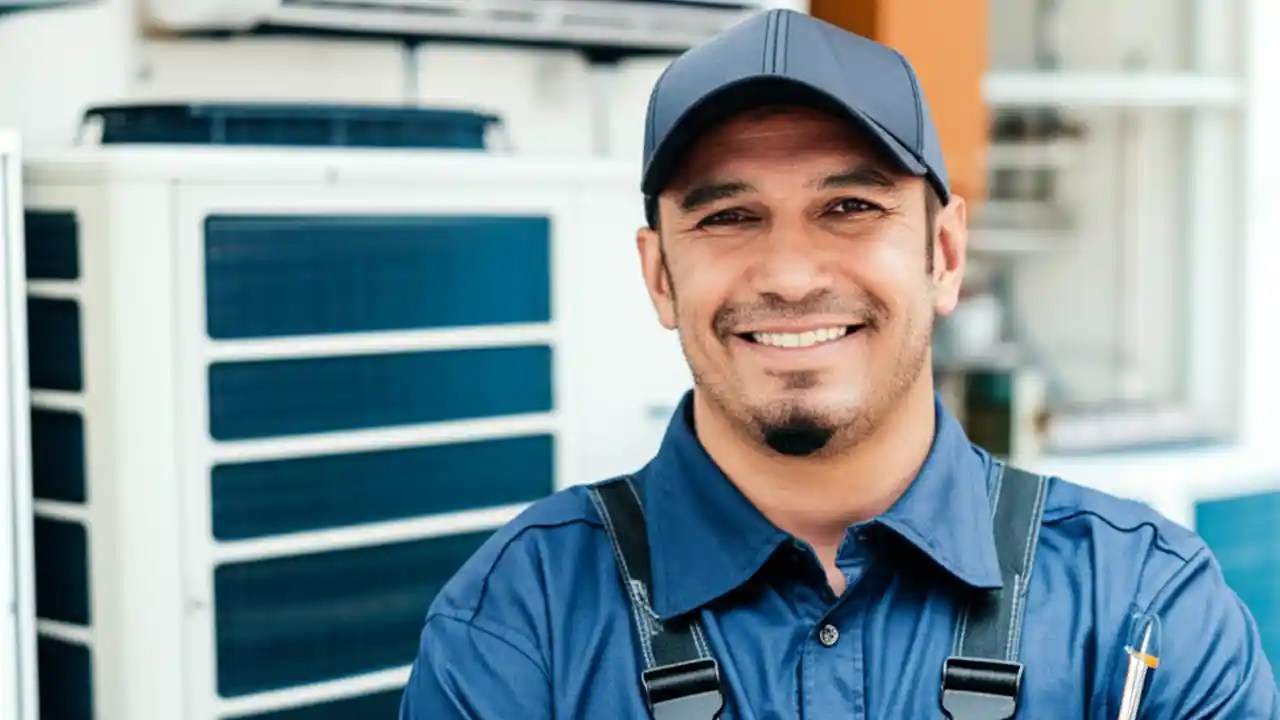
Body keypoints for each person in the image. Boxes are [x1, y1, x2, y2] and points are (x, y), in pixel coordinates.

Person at [400, 9, 1278, 718]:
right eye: (728, 216)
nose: (788, 275)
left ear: (943, 252)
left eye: (850, 205)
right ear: (660, 275)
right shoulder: (522, 623)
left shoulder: (1141, 608)